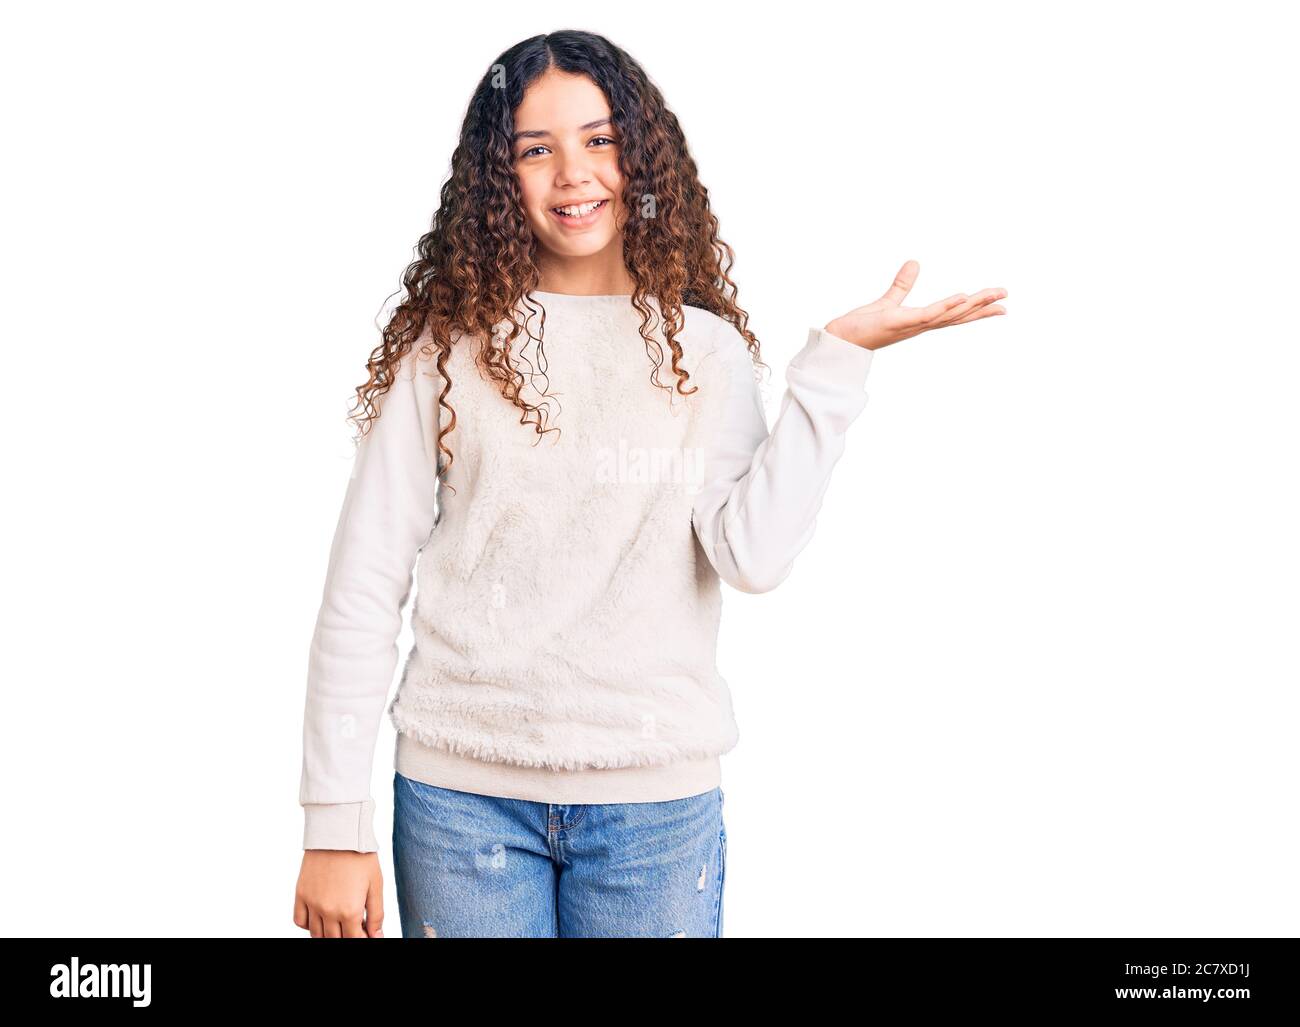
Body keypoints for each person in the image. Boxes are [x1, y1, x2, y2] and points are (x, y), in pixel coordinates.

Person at [292, 28, 1007, 939]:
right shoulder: (448, 349)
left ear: (641, 151)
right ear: (497, 177)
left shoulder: (702, 350)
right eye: (536, 150)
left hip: (654, 810)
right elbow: (363, 583)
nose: (573, 174)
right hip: (461, 800)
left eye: (599, 139)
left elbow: (752, 555)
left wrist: (837, 366)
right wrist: (334, 821)